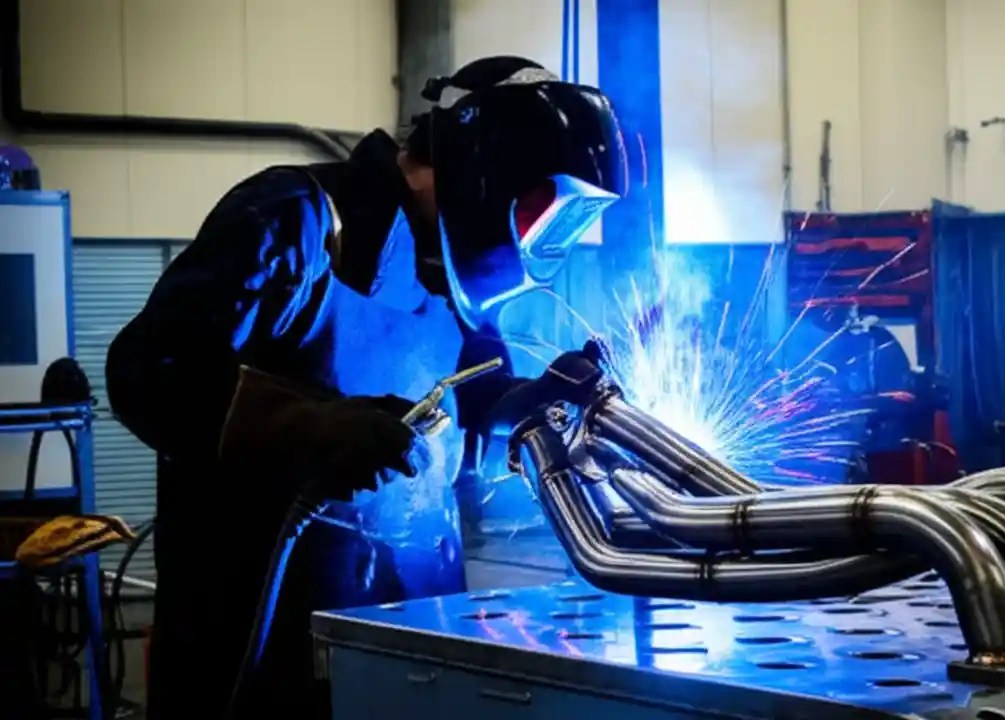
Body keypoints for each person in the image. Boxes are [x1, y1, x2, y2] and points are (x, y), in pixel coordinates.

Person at [105, 56, 624, 718]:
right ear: (483, 168)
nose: (541, 239)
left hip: (409, 652)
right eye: (540, 212)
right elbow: (147, 370)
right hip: (259, 661)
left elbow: (462, 419)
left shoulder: (451, 284)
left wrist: (528, 408)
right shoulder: (297, 223)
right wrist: (313, 426)